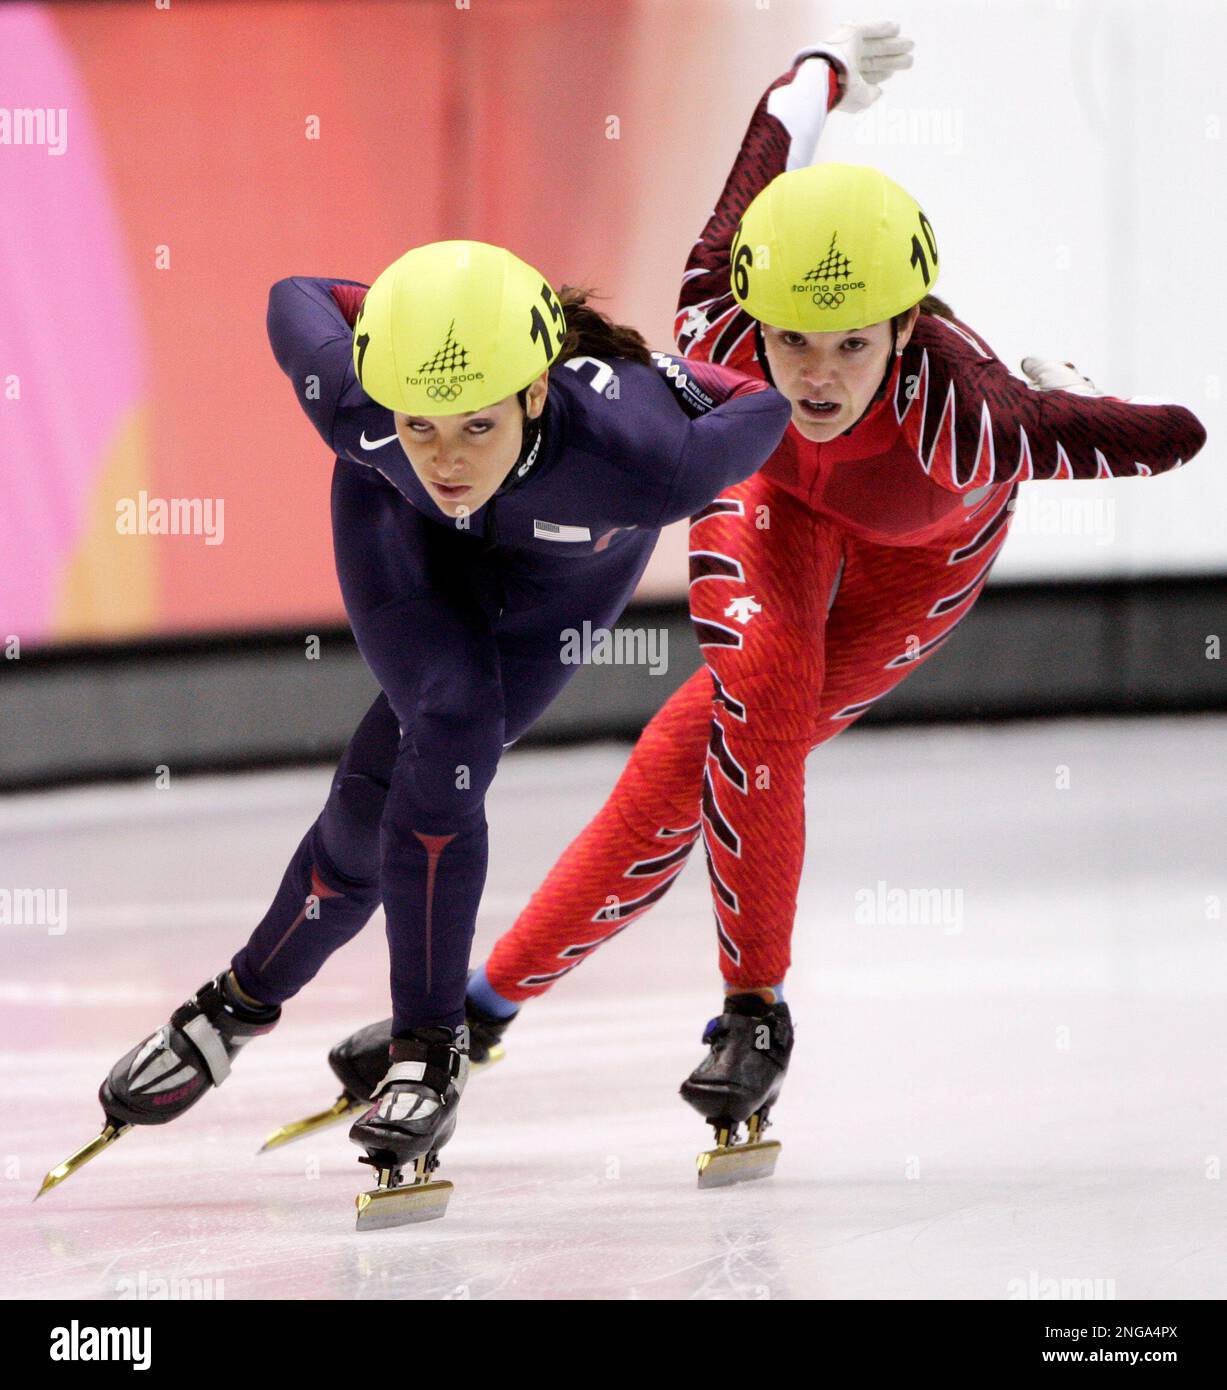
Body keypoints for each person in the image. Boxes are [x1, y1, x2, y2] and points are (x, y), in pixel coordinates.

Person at [305, 23, 1208, 1181]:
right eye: (789, 340)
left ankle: (638, 1012)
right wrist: (827, 68)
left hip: (918, 554)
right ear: (750, 315)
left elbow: (1170, 438)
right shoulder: (714, 317)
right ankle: (647, 1017)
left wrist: (1067, 407)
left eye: (849, 346)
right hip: (771, 492)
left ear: (906, 327)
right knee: (754, 699)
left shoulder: (974, 416)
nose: (815, 377)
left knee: (700, 746)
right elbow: (768, 141)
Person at [39, 240, 790, 1223]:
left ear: (532, 393)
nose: (446, 459)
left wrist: (675, 379)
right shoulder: (358, 404)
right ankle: (393, 1043)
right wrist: (399, 311)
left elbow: (765, 403)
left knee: (386, 803)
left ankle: (256, 1013)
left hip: (547, 598)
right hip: (405, 550)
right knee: (444, 727)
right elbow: (294, 290)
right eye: (420, 424)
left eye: (475, 425)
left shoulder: (648, 453)